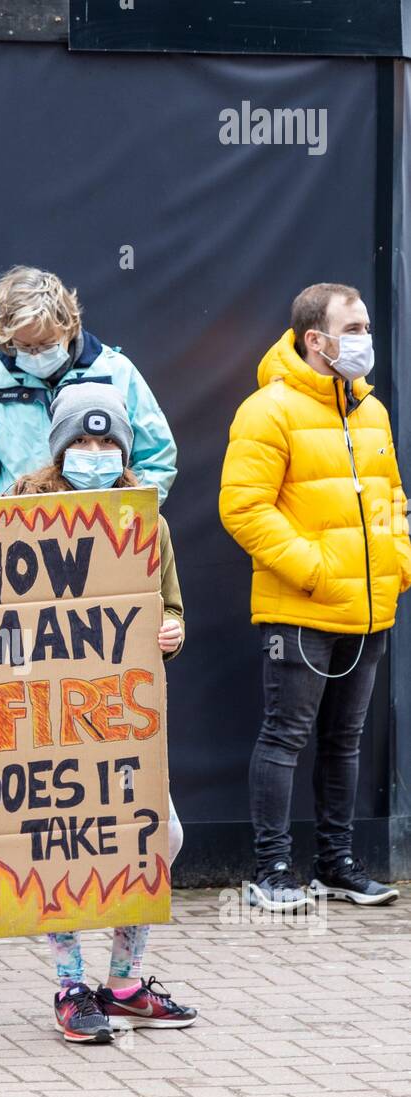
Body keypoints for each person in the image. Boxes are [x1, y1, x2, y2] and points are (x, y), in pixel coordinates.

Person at [11, 383, 196, 1042]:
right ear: (60, 448)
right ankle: (69, 986)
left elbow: (169, 604)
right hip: (52, 717)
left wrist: (170, 629)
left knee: (155, 838)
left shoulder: (147, 521)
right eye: (82, 442)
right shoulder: (22, 516)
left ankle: (121, 983)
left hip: (120, 719)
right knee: (59, 845)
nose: (95, 453)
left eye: (106, 441)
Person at [220, 282, 411, 911]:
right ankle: (270, 870)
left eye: (364, 328)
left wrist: (398, 566)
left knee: (345, 740)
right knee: (286, 737)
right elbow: (243, 508)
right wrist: (319, 571)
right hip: (301, 607)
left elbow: (392, 500)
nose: (364, 340)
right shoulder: (267, 410)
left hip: (369, 607)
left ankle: (336, 864)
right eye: (352, 329)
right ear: (316, 340)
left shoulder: (371, 412)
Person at [0, 265, 177, 502]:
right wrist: (0, 521)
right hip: (19, 529)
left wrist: (130, 510)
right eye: (26, 347)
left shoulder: (115, 371)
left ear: (68, 327)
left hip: (111, 526)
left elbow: (157, 457)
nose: (36, 355)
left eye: (46, 344)